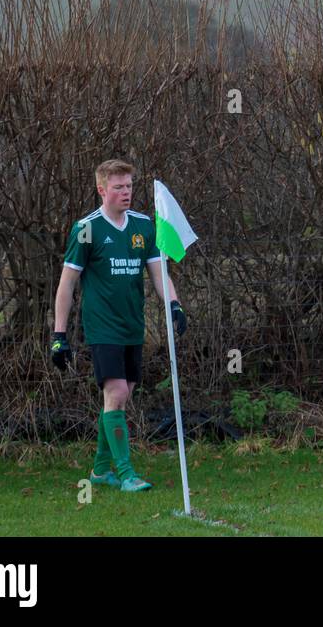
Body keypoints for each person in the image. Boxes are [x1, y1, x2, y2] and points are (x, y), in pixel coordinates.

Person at [49, 159, 188, 492]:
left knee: (121, 399)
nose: (126, 192)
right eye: (119, 187)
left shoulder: (143, 226)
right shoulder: (86, 228)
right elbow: (67, 284)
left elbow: (159, 272)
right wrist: (59, 335)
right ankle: (127, 474)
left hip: (132, 327)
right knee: (117, 392)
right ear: (102, 189)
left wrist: (174, 303)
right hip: (102, 327)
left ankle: (99, 471)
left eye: (129, 186)